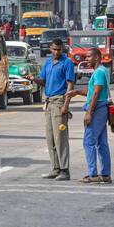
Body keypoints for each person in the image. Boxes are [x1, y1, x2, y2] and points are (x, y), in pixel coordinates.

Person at [37, 39, 76, 181]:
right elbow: (43, 80)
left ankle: (65, 170)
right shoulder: (47, 62)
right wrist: (33, 79)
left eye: (59, 49)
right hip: (49, 102)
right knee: (50, 138)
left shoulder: (67, 63)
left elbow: (70, 85)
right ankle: (55, 168)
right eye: (54, 49)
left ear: (63, 49)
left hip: (60, 101)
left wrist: (66, 104)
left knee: (61, 138)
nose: (56, 52)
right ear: (50, 49)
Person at [73, 47, 112, 184]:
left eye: (89, 57)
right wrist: (77, 92)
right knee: (101, 143)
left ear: (96, 57)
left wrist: (89, 112)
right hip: (101, 108)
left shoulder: (99, 72)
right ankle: (105, 174)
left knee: (89, 142)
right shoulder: (102, 71)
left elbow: (96, 93)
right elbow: (92, 92)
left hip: (97, 109)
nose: (86, 59)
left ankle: (93, 174)